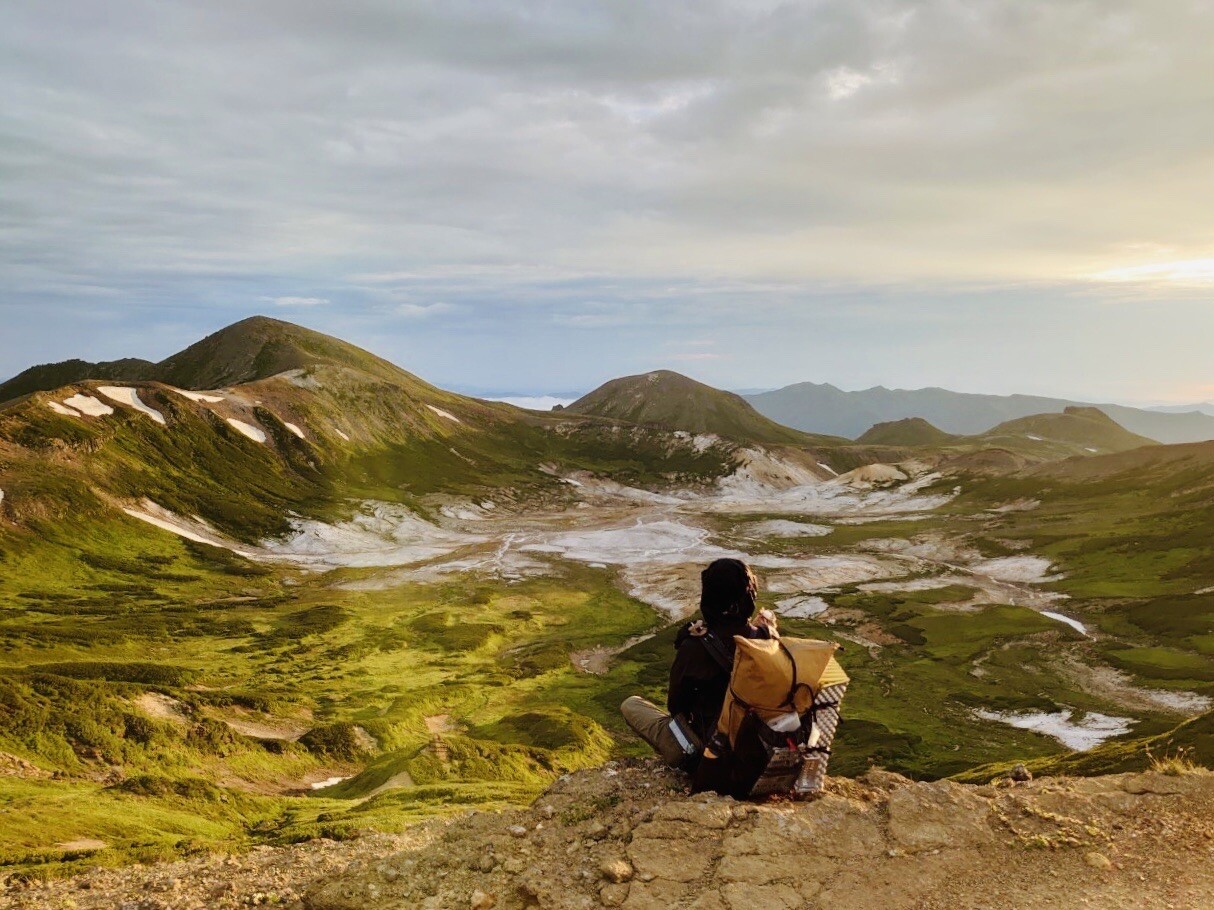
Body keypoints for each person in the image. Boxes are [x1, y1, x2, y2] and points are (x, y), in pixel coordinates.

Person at [620, 557, 777, 769]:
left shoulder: (695, 646)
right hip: (760, 751)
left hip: (712, 757)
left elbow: (676, 707)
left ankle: (689, 758)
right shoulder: (768, 640)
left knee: (631, 705)